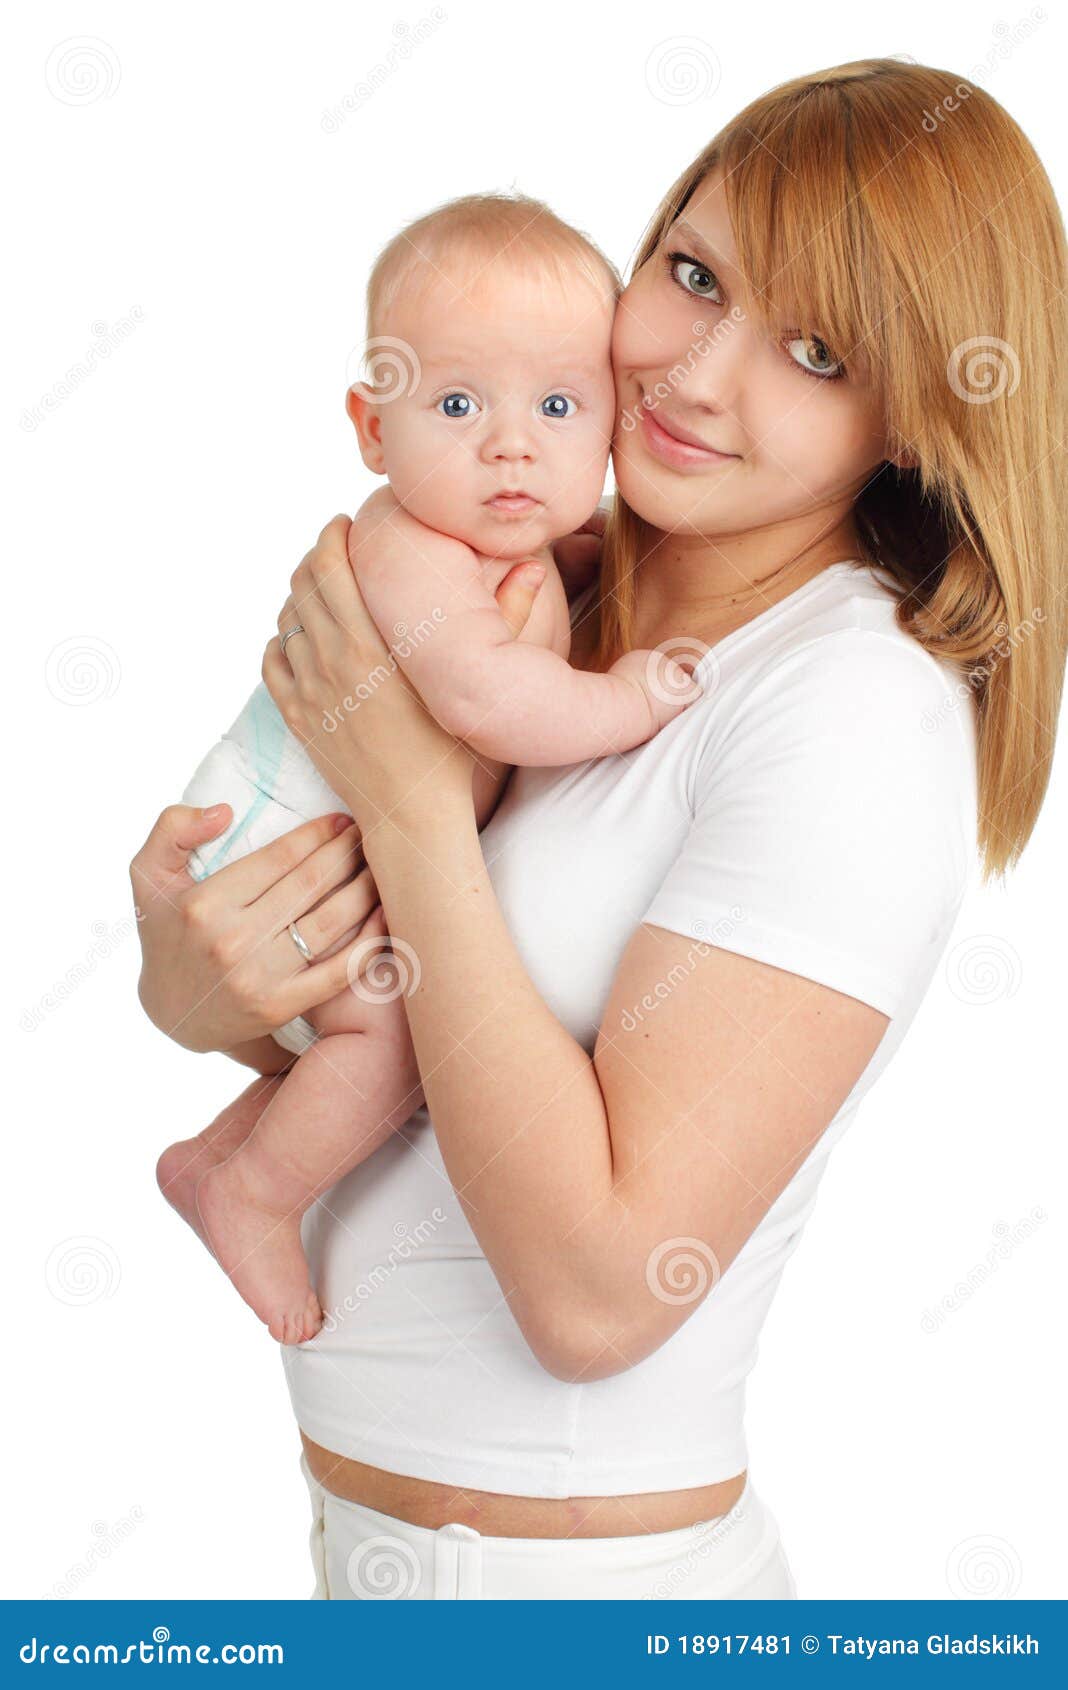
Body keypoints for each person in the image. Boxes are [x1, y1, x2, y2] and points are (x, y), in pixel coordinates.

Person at [131, 59, 1067, 1599]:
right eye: (693, 275)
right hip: (376, 1569)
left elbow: (596, 1290)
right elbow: (447, 1079)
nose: (696, 374)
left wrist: (414, 809)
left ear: (916, 417)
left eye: (815, 348)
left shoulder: (847, 711)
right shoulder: (546, 594)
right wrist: (199, 991)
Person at [160, 192, 699, 1346]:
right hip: (272, 838)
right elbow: (485, 697)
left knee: (400, 1015)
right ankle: (251, 1192)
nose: (512, 443)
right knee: (402, 1034)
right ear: (371, 429)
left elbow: (544, 584)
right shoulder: (405, 549)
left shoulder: (510, 539)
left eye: (558, 406)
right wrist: (627, 695)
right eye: (457, 403)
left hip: (330, 849)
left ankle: (224, 1145)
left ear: (610, 423)